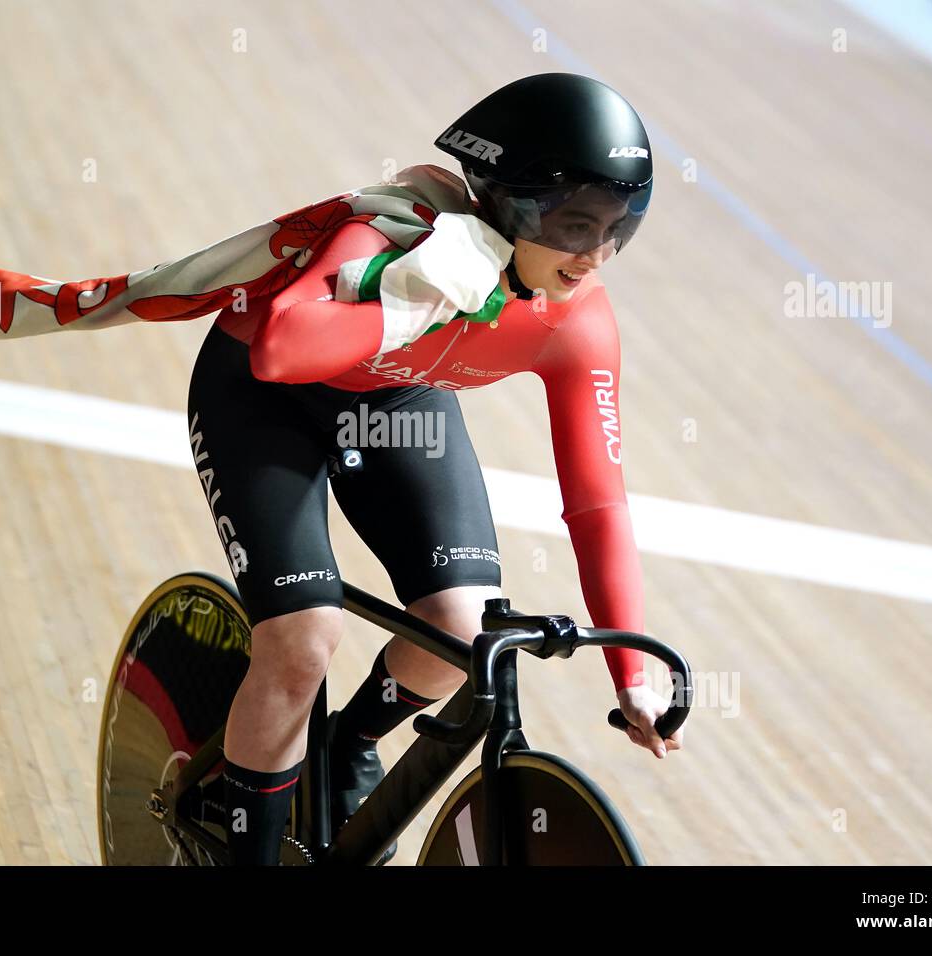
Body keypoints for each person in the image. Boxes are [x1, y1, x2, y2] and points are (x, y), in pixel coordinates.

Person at [185, 72, 683, 866]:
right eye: (575, 223)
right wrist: (425, 299)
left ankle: (346, 746)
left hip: (393, 402)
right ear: (510, 205)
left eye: (619, 228)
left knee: (463, 626)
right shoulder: (398, 234)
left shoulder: (577, 322)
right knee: (305, 638)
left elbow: (598, 506)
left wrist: (629, 671)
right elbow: (280, 351)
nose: (595, 254)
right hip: (260, 396)